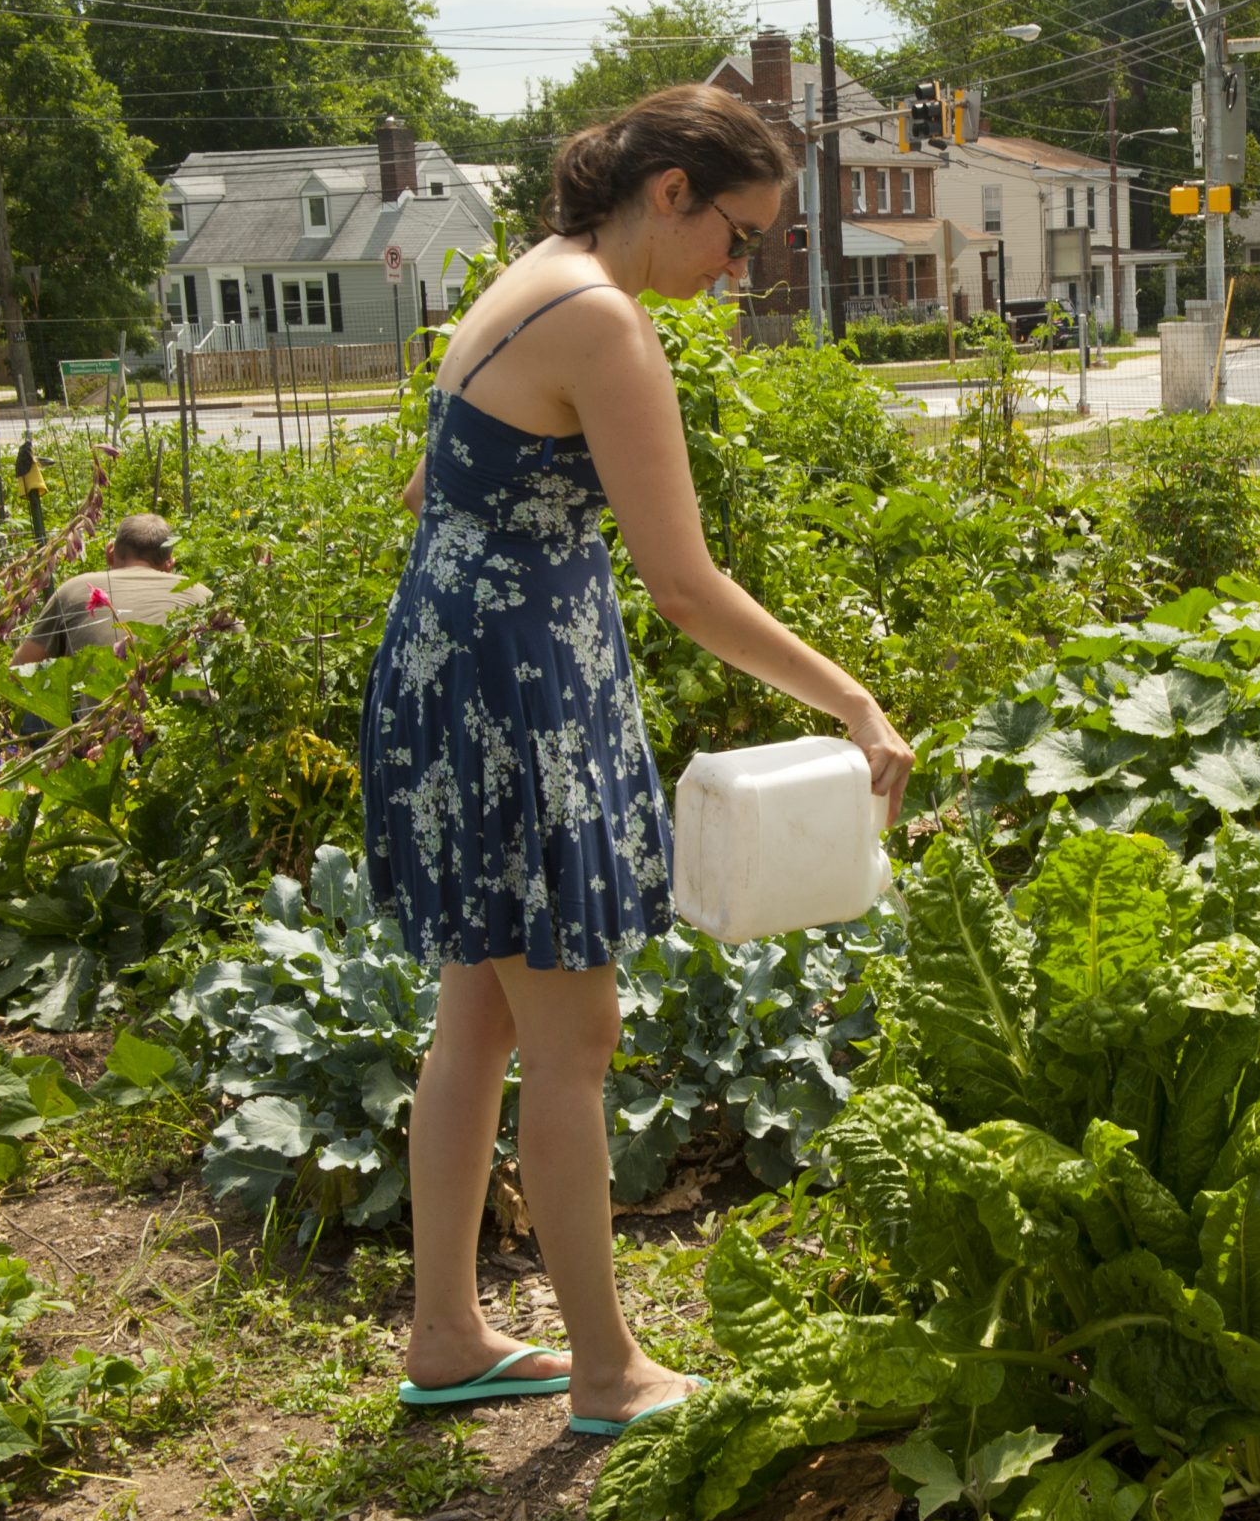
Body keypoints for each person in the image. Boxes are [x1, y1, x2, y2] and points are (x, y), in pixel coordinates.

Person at [358, 84, 913, 1438]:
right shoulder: (602, 318)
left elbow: (435, 487)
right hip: (518, 695)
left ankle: (447, 1332)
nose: (741, 270)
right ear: (670, 191)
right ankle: (607, 1372)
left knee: (479, 1017)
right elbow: (682, 583)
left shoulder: (531, 279)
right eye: (739, 236)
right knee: (574, 1035)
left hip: (454, 669)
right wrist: (852, 702)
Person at [13, 513, 211, 663]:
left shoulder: (73, 589)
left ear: (110, 552)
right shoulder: (203, 595)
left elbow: (19, 671)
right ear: (170, 565)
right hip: (194, 708)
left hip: (109, 707)